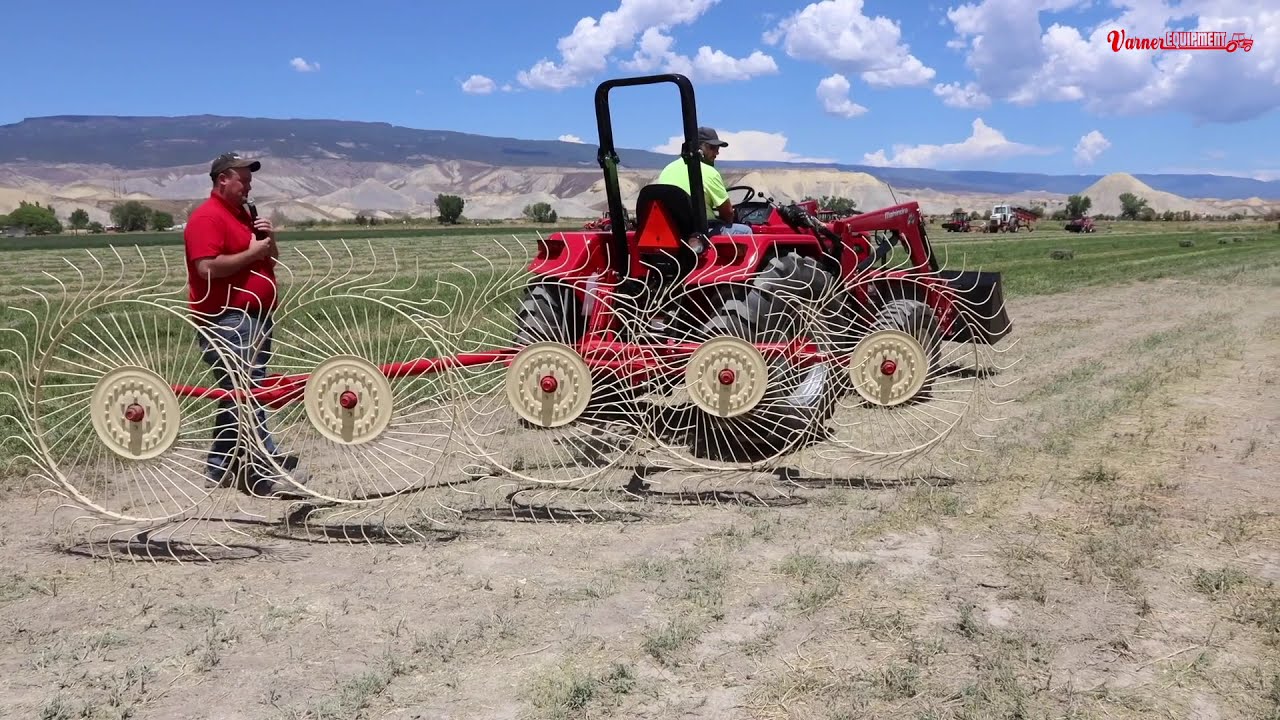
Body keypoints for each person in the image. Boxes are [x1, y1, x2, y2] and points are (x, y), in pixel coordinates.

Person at [184, 152, 307, 498]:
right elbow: (207, 268)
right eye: (244, 179)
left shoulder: (242, 216)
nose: (249, 186)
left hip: (256, 318)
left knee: (237, 393)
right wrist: (253, 254)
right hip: (227, 318)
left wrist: (269, 241)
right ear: (223, 179)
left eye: (250, 180)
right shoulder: (207, 218)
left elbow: (270, 257)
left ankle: (219, 467)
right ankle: (261, 469)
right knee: (248, 392)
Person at [655, 126, 753, 236]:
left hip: (674, 232)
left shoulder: (667, 170)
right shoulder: (709, 172)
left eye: (718, 148)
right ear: (699, 148)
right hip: (702, 232)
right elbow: (728, 213)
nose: (717, 153)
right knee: (746, 231)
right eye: (713, 148)